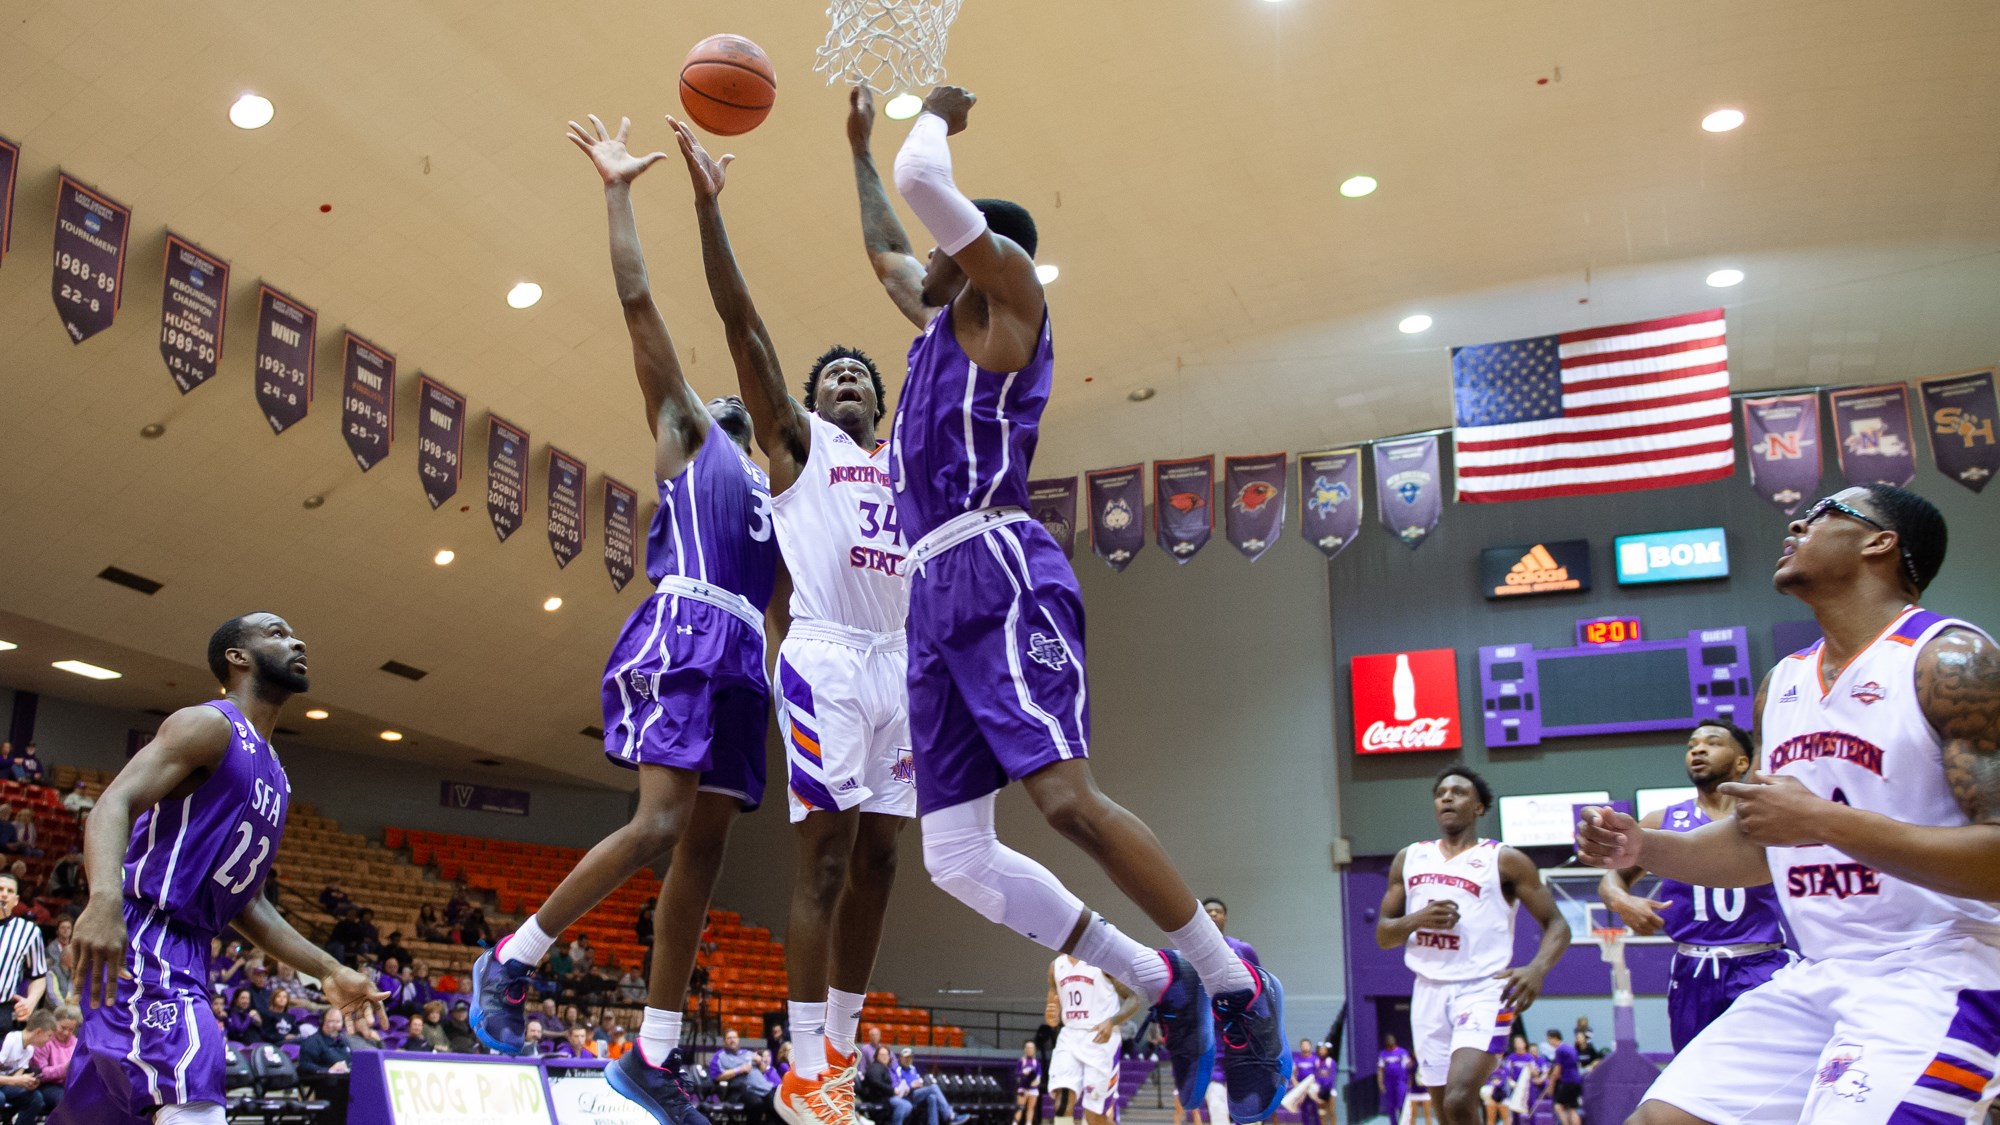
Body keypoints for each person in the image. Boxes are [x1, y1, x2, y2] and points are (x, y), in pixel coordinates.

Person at [846, 80, 1286, 1125]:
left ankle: (1234, 985)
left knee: (1064, 802)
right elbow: (884, 239)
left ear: (982, 253)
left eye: (947, 245)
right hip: (930, 593)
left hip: (997, 565)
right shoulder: (932, 325)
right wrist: (855, 147)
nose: (924, 255)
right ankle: (1153, 972)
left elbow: (921, 180)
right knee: (953, 857)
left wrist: (934, 115)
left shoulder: (1010, 313)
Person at [469, 114, 778, 1125]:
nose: (741, 402)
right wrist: (618, 190)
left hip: (742, 654)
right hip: (684, 625)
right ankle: (512, 962)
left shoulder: (782, 497)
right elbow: (639, 301)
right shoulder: (691, 434)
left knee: (706, 847)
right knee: (654, 823)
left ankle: (648, 1056)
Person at [1578, 484, 2000, 1125]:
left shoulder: (1950, 661)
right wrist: (1644, 846)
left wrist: (1826, 822)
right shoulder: (1784, 682)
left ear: (1879, 543)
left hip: (1942, 967)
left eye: (1824, 514)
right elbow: (1757, 849)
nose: (1796, 521)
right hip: (1818, 972)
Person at [663, 112, 914, 1125]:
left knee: (885, 862)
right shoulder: (802, 451)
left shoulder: (906, 468)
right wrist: (707, 210)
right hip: (825, 661)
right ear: (805, 406)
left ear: (881, 405)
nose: (845, 379)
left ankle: (839, 1057)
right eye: (830, 376)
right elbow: (744, 329)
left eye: (861, 376)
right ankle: (802, 1063)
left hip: (904, 666)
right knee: (821, 859)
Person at [51, 613, 385, 1125]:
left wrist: (328, 968)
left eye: (295, 632)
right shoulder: (208, 724)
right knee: (193, 1083)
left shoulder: (276, 773)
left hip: (190, 948)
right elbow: (112, 804)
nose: (298, 639)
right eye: (276, 632)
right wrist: (103, 899)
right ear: (237, 656)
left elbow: (248, 903)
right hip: (144, 935)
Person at [1375, 767, 1570, 1125]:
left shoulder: (1505, 860)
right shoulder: (1410, 858)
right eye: (1441, 792)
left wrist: (1537, 969)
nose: (1447, 797)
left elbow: (1558, 924)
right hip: (1427, 990)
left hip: (1483, 988)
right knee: (1444, 1111)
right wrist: (1417, 919)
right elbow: (1384, 935)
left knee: (1461, 1098)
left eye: (1459, 792)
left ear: (1479, 807)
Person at [1596, 723, 1793, 1053]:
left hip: (1760, 963)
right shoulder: (1663, 820)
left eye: (1712, 743)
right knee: (1695, 1078)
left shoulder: (1767, 818)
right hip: (1693, 970)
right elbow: (1611, 878)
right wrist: (1621, 900)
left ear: (1743, 762)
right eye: (1691, 745)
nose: (1697, 750)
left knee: (1771, 1071)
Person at [1045, 953, 1140, 1125]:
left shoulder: (1103, 960)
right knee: (1062, 1104)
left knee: (1093, 1117)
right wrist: (1052, 1016)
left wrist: (1112, 1021)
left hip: (1100, 1039)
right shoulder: (1055, 966)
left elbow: (1133, 999)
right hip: (1069, 1035)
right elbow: (1053, 1007)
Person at [0, 876, 46, 1037]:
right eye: (0, 889)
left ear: (16, 900)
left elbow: (39, 975)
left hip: (3, 1011)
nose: (4, 894)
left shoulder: (29, 931)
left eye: (10, 891)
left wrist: (31, 1001)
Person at [0, 1010, 55, 1122]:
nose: (50, 1040)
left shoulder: (29, 1050)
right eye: (49, 1035)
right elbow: (14, 1081)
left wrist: (26, 1083)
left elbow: (15, 1080)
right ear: (38, 1032)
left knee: (35, 1098)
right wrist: (16, 1081)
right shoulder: (11, 1039)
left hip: (4, 1085)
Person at [894, 1048, 967, 1125]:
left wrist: (919, 1084)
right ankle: (949, 1115)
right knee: (933, 1087)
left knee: (932, 1097)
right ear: (901, 1058)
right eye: (906, 1058)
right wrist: (911, 1085)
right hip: (906, 1097)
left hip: (916, 1094)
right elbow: (898, 1087)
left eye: (910, 1058)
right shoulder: (897, 1070)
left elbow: (917, 1082)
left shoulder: (913, 1068)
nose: (908, 1060)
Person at [32, 1007, 78, 1118]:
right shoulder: (44, 1040)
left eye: (71, 1029)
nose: (66, 1033)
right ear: (54, 1023)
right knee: (64, 1100)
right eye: (63, 1028)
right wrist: (64, 1069)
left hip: (69, 1084)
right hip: (47, 1086)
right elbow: (39, 1073)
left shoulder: (76, 1042)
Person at [857, 1044, 908, 1125]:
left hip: (884, 1097)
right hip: (875, 1098)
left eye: (886, 1055)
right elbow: (876, 1082)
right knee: (903, 1105)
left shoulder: (884, 1068)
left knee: (907, 1105)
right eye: (882, 1055)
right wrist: (892, 1090)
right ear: (876, 1056)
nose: (885, 1057)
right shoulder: (875, 1067)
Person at [1497, 1034, 1540, 1123]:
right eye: (1516, 1042)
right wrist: (1511, 1082)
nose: (1519, 1044)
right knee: (1515, 1110)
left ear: (1524, 1043)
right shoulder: (1511, 1058)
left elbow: (1536, 1073)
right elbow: (1507, 1072)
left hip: (1528, 1087)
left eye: (1520, 1042)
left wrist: (1531, 1069)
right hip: (1516, 1086)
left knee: (1531, 1108)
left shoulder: (1529, 1057)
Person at [1539, 1031, 1579, 1125]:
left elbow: (1557, 1071)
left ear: (1554, 1038)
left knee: (1558, 1106)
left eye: (1549, 1039)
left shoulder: (1560, 1050)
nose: (1549, 1042)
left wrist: (1551, 1085)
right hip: (1576, 1080)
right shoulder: (1571, 1048)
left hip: (1568, 1081)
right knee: (1572, 1109)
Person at [1378, 1033, 1414, 1125]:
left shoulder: (1402, 1052)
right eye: (1389, 1044)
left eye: (1392, 1044)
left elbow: (1409, 1068)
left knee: (1401, 1104)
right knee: (1391, 1106)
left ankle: (1404, 1123)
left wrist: (1410, 1081)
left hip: (1400, 1081)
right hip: (1388, 1082)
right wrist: (1381, 1084)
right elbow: (1380, 1070)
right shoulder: (1383, 1054)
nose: (1391, 1045)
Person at [1013, 1041, 1040, 1125]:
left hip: (1033, 1089)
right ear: (1025, 1049)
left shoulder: (1037, 1062)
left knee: (1031, 1108)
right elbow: (1016, 1073)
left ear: (1034, 1050)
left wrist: (1036, 1081)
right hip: (1023, 1088)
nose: (1029, 1050)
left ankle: (1028, 1123)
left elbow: (1039, 1075)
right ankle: (1015, 1123)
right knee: (1020, 1108)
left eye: (1031, 1048)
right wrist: (1023, 1073)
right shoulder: (1021, 1061)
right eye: (1027, 1048)